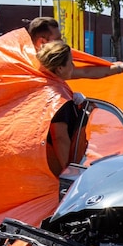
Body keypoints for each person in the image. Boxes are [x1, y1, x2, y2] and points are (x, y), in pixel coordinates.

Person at [37, 40, 89, 177]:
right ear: (60, 68)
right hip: (59, 173)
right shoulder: (58, 98)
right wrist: (71, 174)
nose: (73, 66)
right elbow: (59, 137)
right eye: (70, 62)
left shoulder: (48, 87)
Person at [28, 17, 123, 79]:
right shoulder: (26, 67)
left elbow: (86, 71)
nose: (61, 42)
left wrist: (122, 67)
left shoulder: (55, 62)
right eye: (57, 39)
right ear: (42, 42)